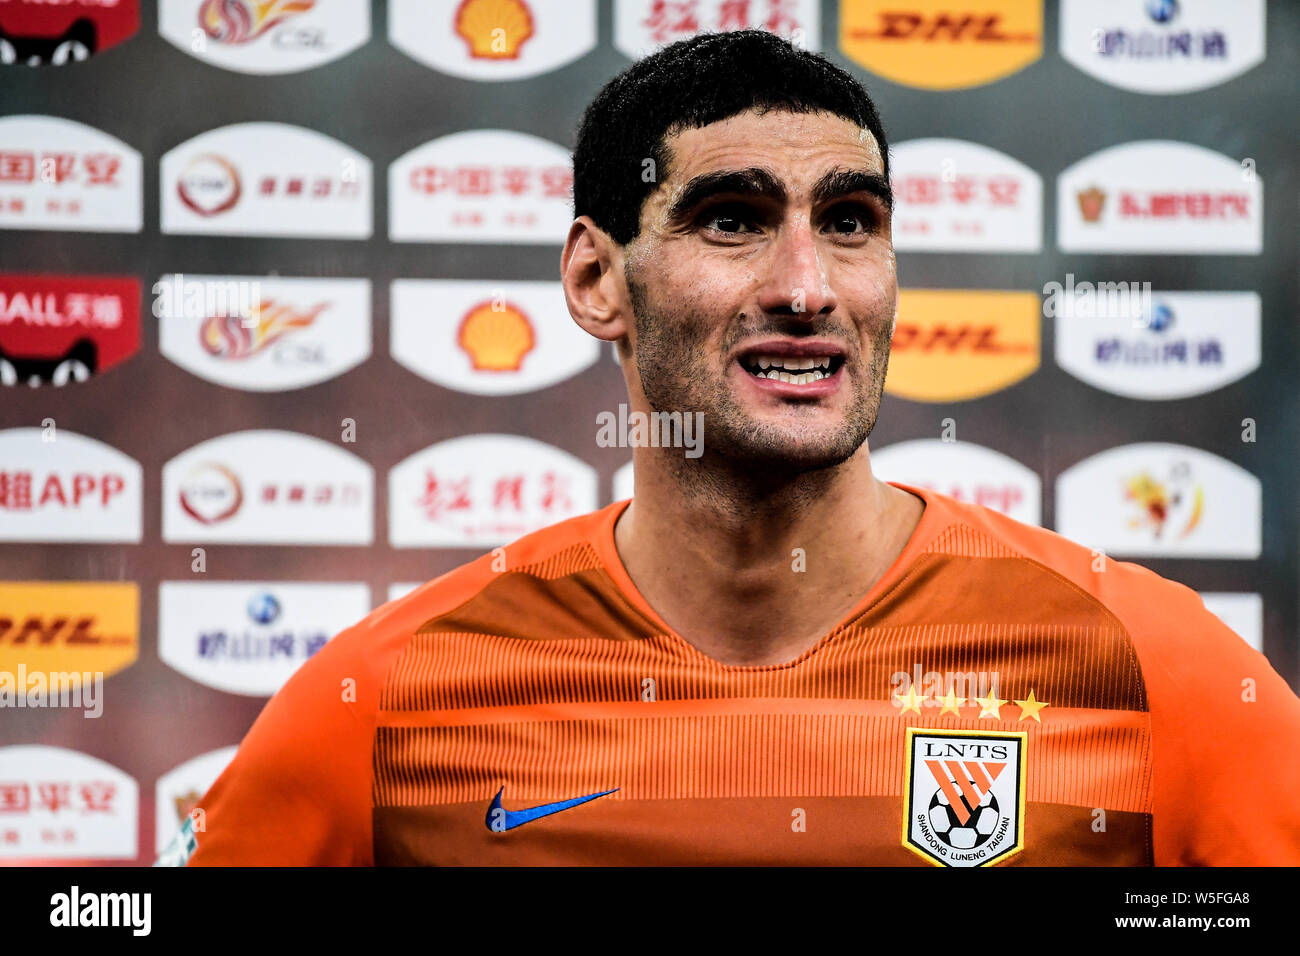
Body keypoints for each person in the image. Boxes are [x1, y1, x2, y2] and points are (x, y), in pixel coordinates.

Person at [171, 30, 1300, 867]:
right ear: (595, 279)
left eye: (850, 221)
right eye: (733, 219)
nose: (807, 287)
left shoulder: (1153, 674)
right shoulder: (387, 702)